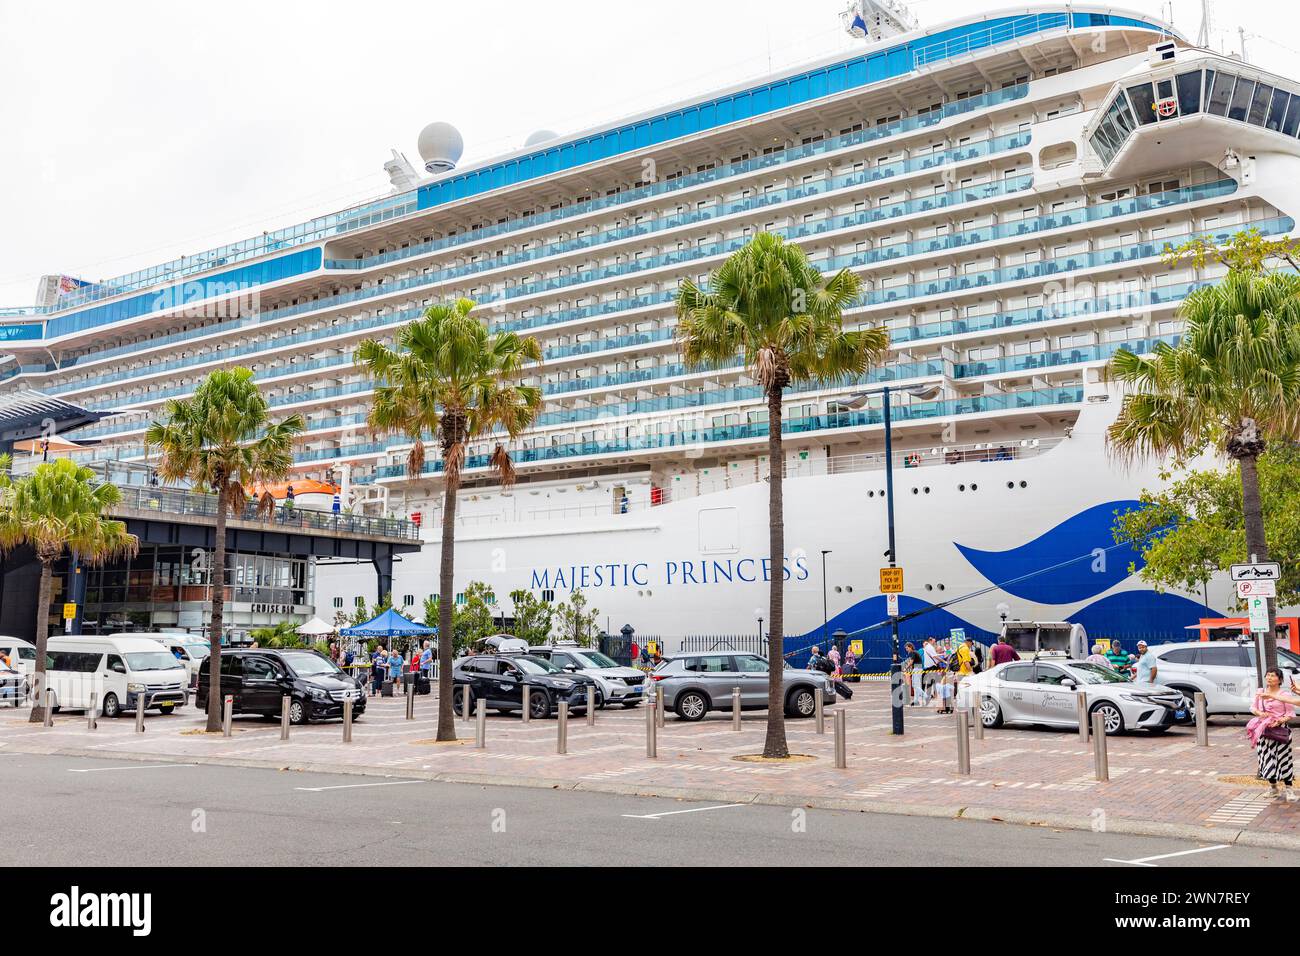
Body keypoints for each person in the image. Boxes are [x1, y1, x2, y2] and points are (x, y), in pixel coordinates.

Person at [1249, 668, 1296, 801]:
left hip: (1281, 731)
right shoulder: (1260, 692)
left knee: (1284, 759)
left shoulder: (1284, 694)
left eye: (1273, 676)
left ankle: (1289, 789)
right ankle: (1273, 788)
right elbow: (1253, 707)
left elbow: (1290, 714)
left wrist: (1280, 720)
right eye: (1267, 675)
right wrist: (1260, 714)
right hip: (1264, 730)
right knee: (1267, 759)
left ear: (1280, 680)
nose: (1269, 678)